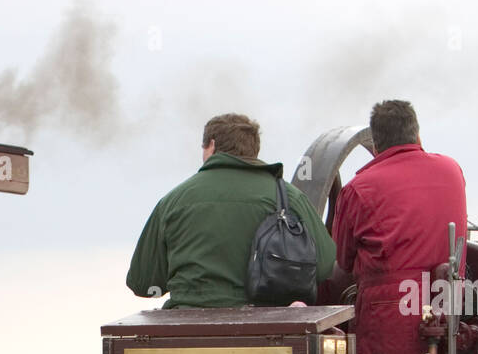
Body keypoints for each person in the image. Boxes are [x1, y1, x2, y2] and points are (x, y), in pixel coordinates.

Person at [127, 113, 335, 308]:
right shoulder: (290, 198)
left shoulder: (172, 201)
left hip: (188, 329)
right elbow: (324, 266)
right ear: (253, 150)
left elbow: (143, 282)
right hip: (269, 327)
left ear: (212, 146)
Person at [332, 100, 467, 354]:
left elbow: (342, 260)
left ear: (376, 145)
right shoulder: (452, 170)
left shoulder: (359, 188)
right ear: (417, 135)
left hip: (389, 313)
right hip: (449, 302)